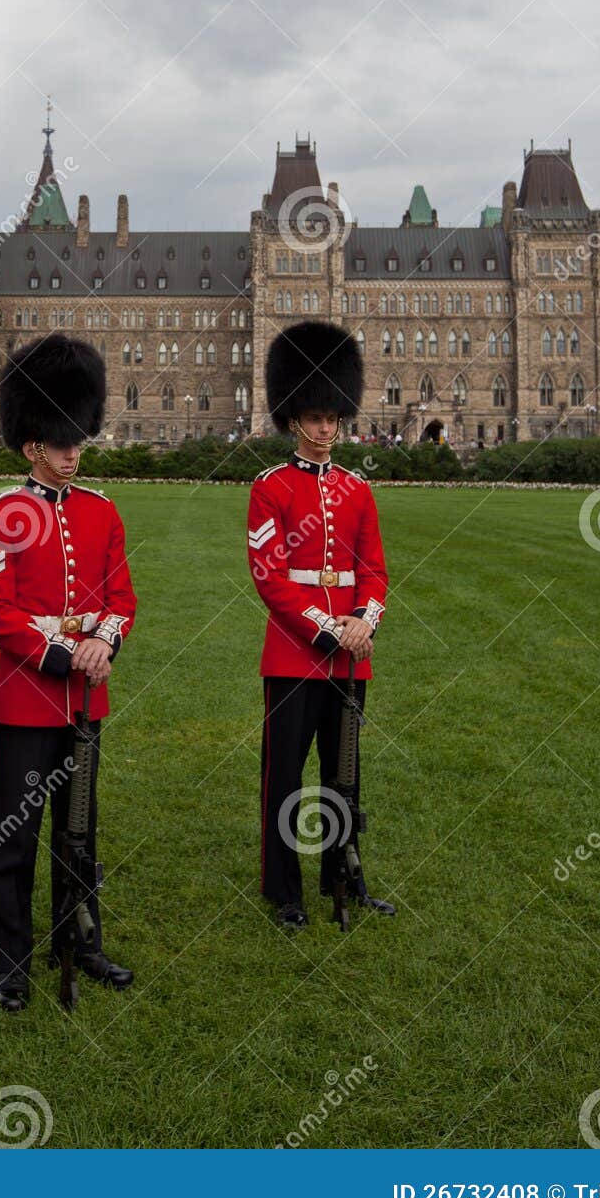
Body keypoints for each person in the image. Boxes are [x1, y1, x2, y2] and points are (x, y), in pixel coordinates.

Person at [0, 333, 137, 1012]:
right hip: (24, 701)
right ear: (31, 444)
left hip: (84, 703)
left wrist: (103, 642)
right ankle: (9, 958)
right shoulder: (2, 512)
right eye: (60, 439)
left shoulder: (100, 510)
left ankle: (80, 937)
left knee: (79, 829)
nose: (74, 449)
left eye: (78, 437)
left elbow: (121, 597)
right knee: (14, 836)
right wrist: (65, 654)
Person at [248, 320, 395, 931]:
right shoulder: (270, 488)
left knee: (345, 772)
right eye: (313, 418)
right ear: (292, 421)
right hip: (294, 654)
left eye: (332, 417)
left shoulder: (358, 490)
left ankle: (343, 871)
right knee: (285, 776)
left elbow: (375, 572)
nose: (325, 429)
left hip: (351, 655)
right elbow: (270, 577)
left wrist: (364, 620)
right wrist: (327, 627)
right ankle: (283, 888)